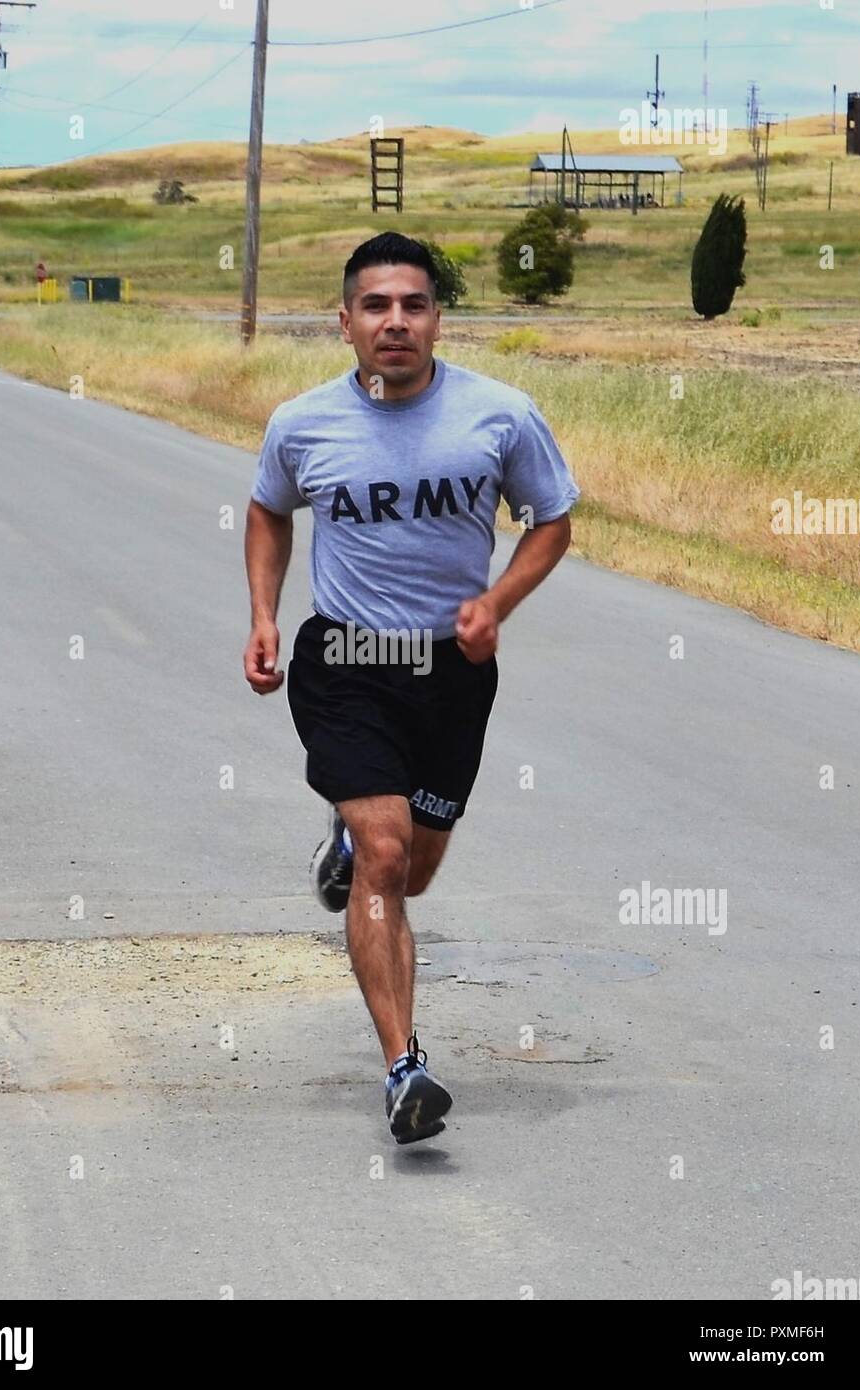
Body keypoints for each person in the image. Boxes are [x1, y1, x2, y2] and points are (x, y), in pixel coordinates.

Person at [243, 233, 579, 1144]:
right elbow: (271, 508)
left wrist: (497, 601)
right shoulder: (302, 423)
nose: (396, 321)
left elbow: (553, 518)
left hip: (453, 674)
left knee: (414, 868)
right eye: (377, 306)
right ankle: (404, 1067)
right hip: (345, 659)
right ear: (344, 321)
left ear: (437, 318)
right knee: (389, 851)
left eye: (414, 305)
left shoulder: (499, 415)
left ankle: (351, 855)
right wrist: (266, 614)